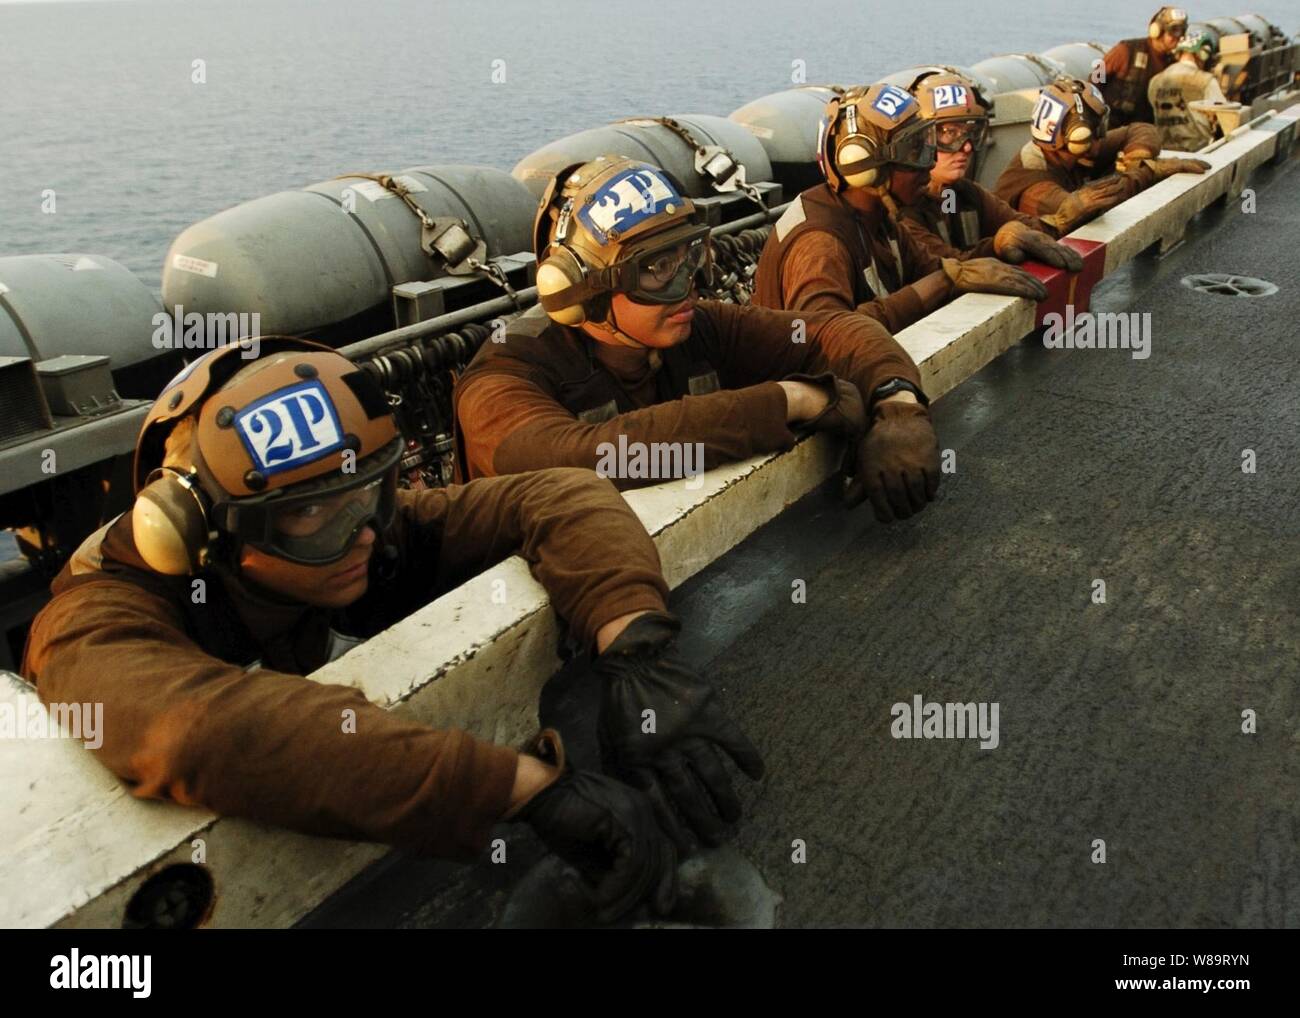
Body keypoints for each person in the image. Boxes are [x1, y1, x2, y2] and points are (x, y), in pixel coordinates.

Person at [20, 338, 766, 921]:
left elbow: (565, 495)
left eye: (370, 494)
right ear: (195, 530)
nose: (364, 538)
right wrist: (526, 787)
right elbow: (199, 728)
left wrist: (635, 650)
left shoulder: (369, 532)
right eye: (311, 516)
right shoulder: (94, 620)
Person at [454, 154, 945, 524]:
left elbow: (838, 330)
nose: (686, 284)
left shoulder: (694, 327)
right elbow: (593, 454)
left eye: (689, 257)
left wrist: (896, 403)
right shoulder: (502, 381)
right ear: (574, 290)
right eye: (656, 270)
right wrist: (791, 399)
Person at [750, 82, 1049, 335]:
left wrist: (993, 250)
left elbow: (934, 270)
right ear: (864, 167)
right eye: (915, 153)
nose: (929, 164)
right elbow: (826, 335)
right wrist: (946, 280)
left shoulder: (879, 217)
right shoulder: (820, 244)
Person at [895, 70, 1086, 271]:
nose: (966, 147)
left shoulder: (966, 194)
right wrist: (997, 246)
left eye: (970, 133)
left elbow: (1025, 226)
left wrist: (1065, 218)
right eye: (950, 133)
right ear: (919, 141)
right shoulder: (902, 215)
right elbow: (951, 267)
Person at [994, 77, 1210, 234]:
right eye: (1099, 128)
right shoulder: (1035, 191)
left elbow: (1141, 129)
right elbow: (1091, 208)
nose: (1103, 135)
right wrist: (1149, 172)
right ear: (1079, 137)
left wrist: (1138, 158)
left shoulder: (1064, 152)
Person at [1100, 5, 1190, 128]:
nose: (1179, 37)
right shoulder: (1126, 50)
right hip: (1111, 126)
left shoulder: (1173, 63)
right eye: (1174, 30)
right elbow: (1096, 79)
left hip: (1144, 130)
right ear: (1157, 30)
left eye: (1182, 31)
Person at [1148, 31, 1227, 152]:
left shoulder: (1155, 81)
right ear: (1202, 54)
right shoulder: (1205, 80)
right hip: (1198, 152)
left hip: (1163, 153)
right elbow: (1224, 115)